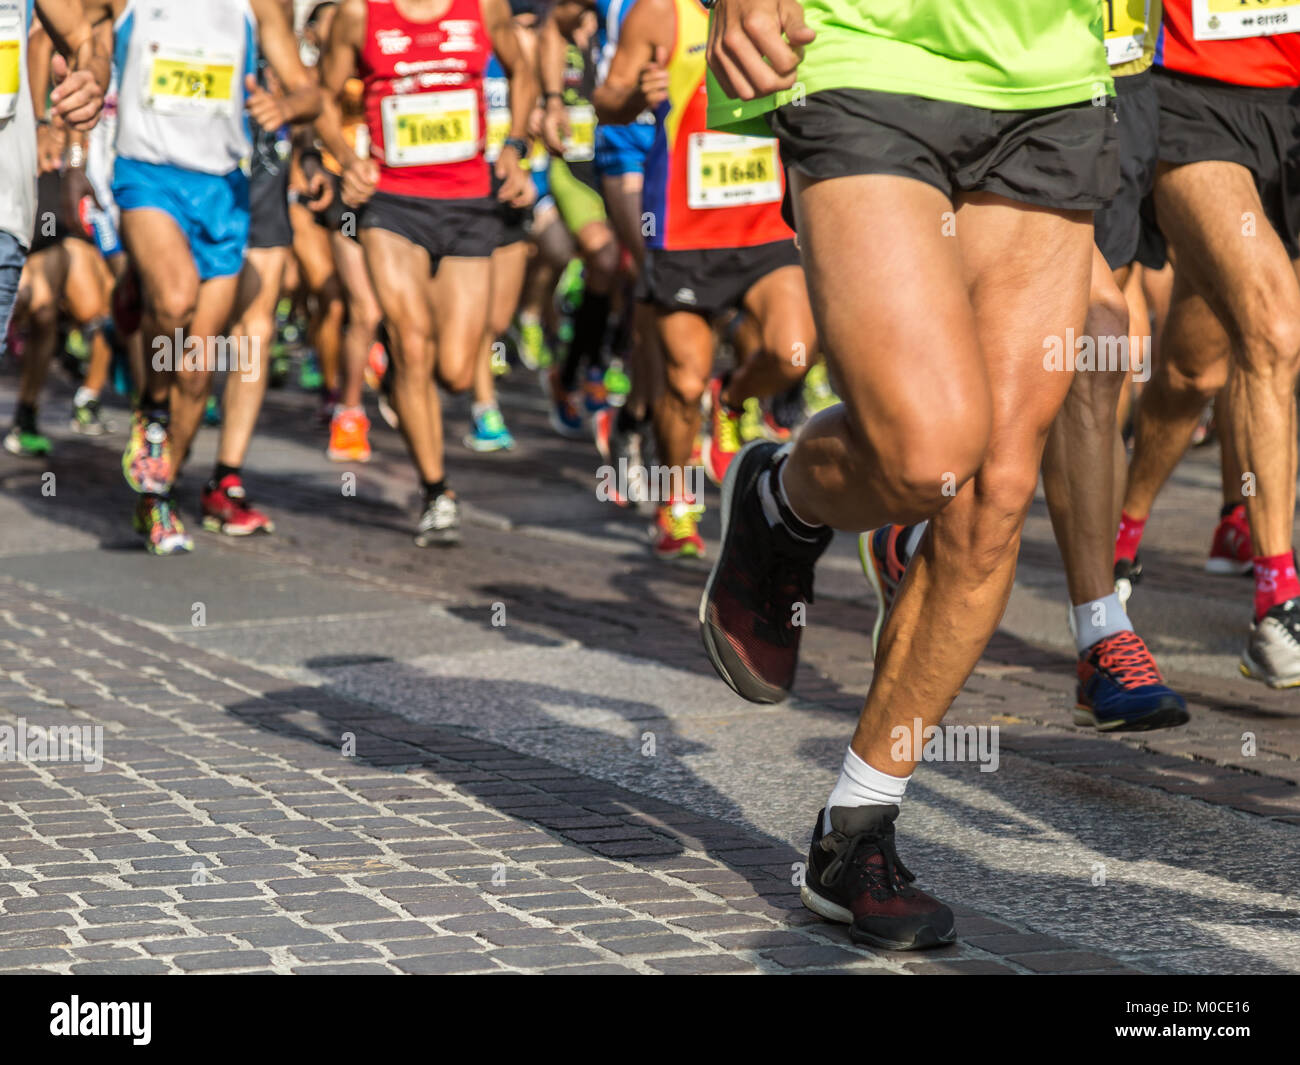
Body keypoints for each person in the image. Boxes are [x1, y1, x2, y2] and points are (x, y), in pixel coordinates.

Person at [698, 0, 1116, 947]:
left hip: (1051, 67)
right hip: (862, 43)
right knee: (928, 455)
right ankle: (783, 497)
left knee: (996, 491)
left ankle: (856, 826)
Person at [1111, 1, 1300, 688]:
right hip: (1191, 91)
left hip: (1292, 98)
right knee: (1273, 325)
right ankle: (1279, 601)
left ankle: (1119, 538)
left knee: (1200, 367)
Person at [97, 0, 320, 555]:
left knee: (197, 372)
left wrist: (285, 105)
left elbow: (308, 89)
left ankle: (159, 494)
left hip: (224, 195)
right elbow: (72, 30)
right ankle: (150, 415)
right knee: (173, 303)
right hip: (147, 176)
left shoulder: (258, 6)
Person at [315, 0, 537, 547]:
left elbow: (524, 70)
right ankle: (436, 490)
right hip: (392, 205)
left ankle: (400, 381)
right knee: (412, 341)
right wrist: (347, 157)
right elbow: (318, 95)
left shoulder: (484, 7)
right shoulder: (358, 14)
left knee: (459, 371)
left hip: (468, 204)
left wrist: (514, 147)